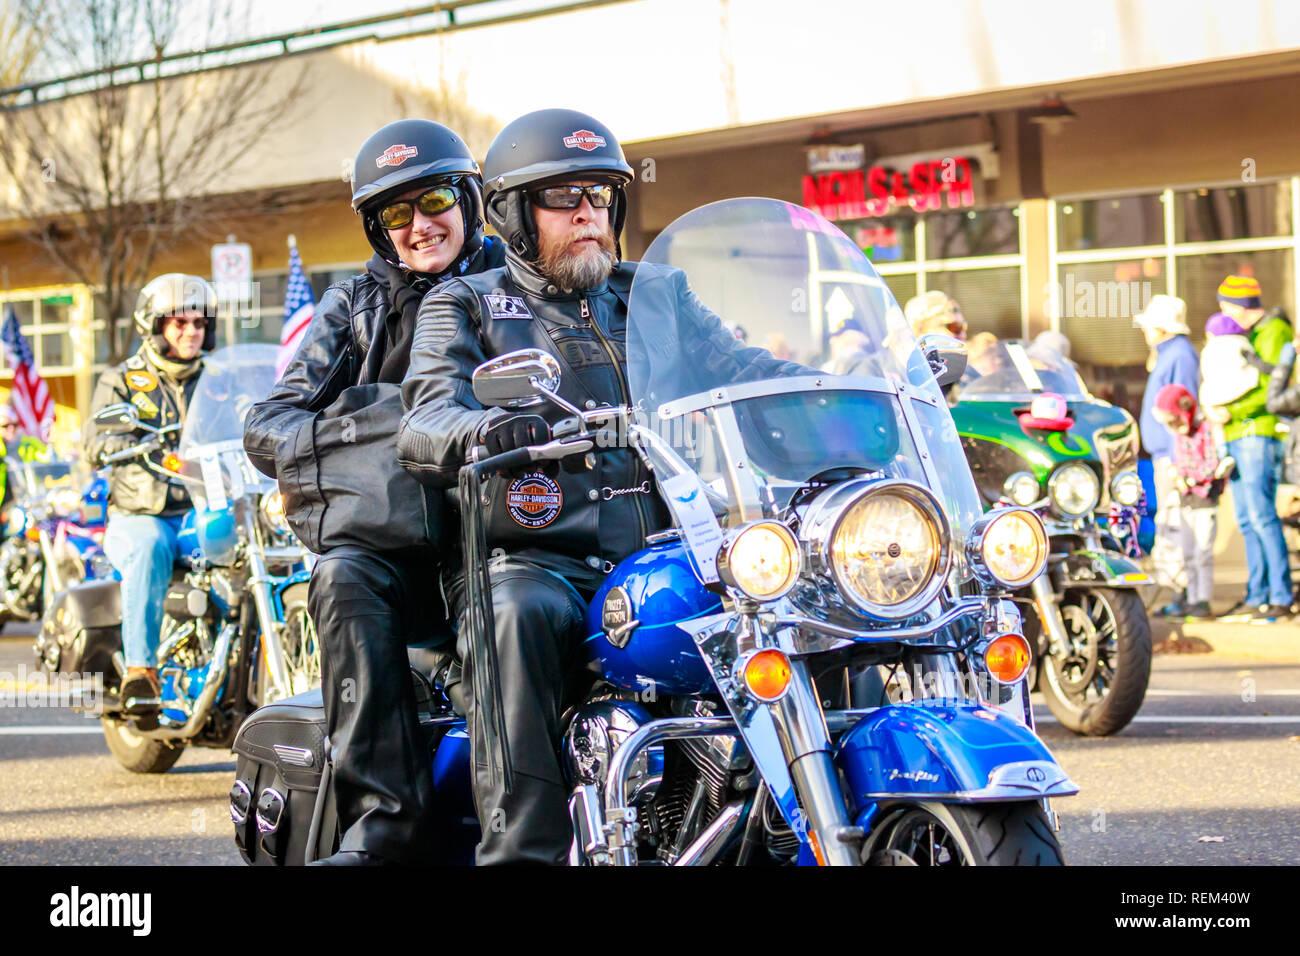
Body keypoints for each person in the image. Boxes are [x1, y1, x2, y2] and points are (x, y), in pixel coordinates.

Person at [397, 108, 801, 865]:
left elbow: (745, 373)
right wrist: (486, 430)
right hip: (539, 556)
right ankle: (523, 851)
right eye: (563, 197)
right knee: (512, 614)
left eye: (600, 195)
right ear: (514, 216)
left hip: (671, 548)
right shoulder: (470, 303)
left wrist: (842, 389)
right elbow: (423, 422)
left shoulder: (655, 291)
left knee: (796, 599)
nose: (588, 212)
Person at [243, 119, 505, 866]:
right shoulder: (355, 305)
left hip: (508, 534)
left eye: (434, 201)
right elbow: (270, 423)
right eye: (395, 214)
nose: (420, 226)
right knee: (343, 575)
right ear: (376, 228)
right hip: (403, 552)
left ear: (470, 198)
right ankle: (384, 826)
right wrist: (388, 437)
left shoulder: (516, 285)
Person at [85, 273, 216, 713]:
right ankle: (141, 672)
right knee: (148, 547)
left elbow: (251, 418)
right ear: (156, 327)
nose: (190, 332)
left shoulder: (216, 381)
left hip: (202, 507)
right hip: (141, 512)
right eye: (178, 323)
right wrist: (123, 443)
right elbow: (95, 440)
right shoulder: (122, 379)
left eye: (198, 323)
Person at [1213, 276, 1292, 622]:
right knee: (1246, 519)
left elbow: (1275, 389)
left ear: (1239, 306)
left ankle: (1280, 596)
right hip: (1237, 434)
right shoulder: (1250, 335)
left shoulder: (1274, 331)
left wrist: (1233, 410)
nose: (1224, 314)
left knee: (1261, 516)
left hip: (1257, 433)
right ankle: (1257, 594)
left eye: (1226, 306)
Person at [1134, 294, 1199, 618]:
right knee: (1170, 522)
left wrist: (1180, 457)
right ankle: (1177, 592)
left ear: (1160, 327)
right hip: (1164, 453)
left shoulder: (1180, 356)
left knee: (1177, 522)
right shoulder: (1167, 354)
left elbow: (1185, 407)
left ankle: (1182, 593)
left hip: (1173, 454)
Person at [1151, 384, 1231, 620]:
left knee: (1202, 552)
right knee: (1186, 553)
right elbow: (1180, 462)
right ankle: (1191, 598)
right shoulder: (1178, 436)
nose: (1174, 426)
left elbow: (1212, 464)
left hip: (1206, 500)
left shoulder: (1206, 427)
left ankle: (1202, 600)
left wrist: (1190, 476)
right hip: (1186, 499)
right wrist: (1178, 474)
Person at [0, 405, 49, 530]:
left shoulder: (27, 443)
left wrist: (58, 461)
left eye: (14, 425)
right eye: (5, 426)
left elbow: (45, 457)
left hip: (28, 500)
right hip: (4, 503)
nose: (10, 429)